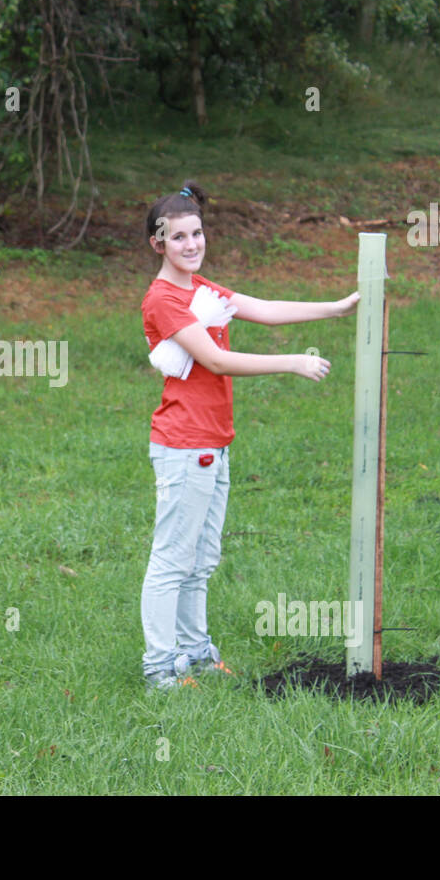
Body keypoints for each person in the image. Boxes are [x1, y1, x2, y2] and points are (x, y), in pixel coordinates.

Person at [140, 181, 360, 689]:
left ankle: (196, 653)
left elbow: (263, 307)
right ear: (159, 244)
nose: (192, 244)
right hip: (184, 444)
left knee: (202, 558)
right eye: (179, 238)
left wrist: (335, 307)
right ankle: (159, 668)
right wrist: (293, 363)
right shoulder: (164, 300)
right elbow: (215, 359)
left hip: (213, 443)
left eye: (197, 233)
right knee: (173, 558)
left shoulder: (202, 289)